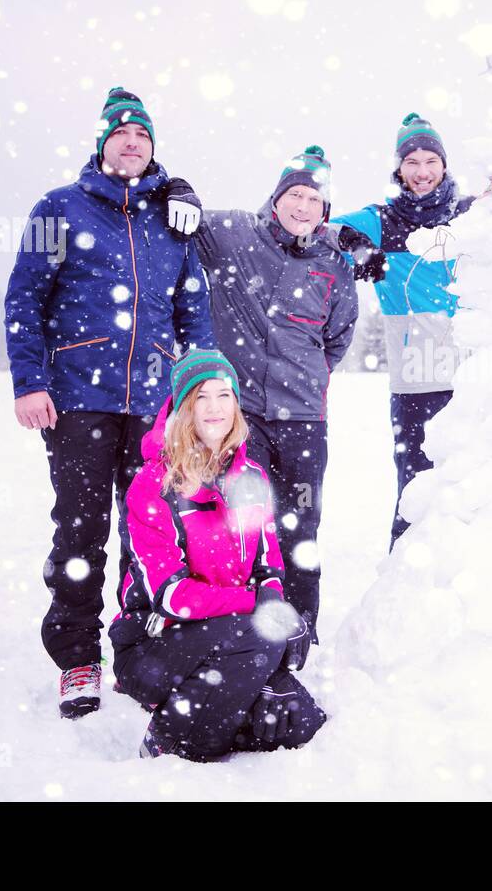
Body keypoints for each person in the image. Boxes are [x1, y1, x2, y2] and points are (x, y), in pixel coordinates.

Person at [3, 87, 214, 718]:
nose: (132, 142)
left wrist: (200, 392)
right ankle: (77, 660)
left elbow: (194, 311)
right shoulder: (59, 209)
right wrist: (29, 381)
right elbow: (23, 300)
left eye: (142, 136)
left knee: (152, 531)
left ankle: (136, 649)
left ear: (153, 149)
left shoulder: (172, 219)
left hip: (154, 407)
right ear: (102, 145)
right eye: (121, 133)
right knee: (80, 530)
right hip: (78, 401)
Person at [111, 350, 324, 760]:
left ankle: (222, 706)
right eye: (201, 396)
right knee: (256, 635)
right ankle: (171, 740)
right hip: (153, 642)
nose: (214, 408)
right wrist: (258, 606)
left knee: (299, 719)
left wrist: (275, 604)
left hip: (233, 633)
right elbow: (173, 596)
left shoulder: (251, 477)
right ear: (183, 408)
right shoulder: (153, 484)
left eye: (224, 395)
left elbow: (268, 566)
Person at [188, 146, 358, 641]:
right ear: (277, 197)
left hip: (305, 420)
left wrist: (304, 377)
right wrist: (178, 189)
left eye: (314, 200)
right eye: (295, 195)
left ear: (324, 213)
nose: (302, 206)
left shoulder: (334, 263)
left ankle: (302, 629)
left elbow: (339, 335)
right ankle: (245, 626)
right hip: (243, 417)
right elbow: (185, 220)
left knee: (301, 523)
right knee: (243, 525)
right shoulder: (235, 233)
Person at [331, 113, 475, 549]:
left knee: (471, 480)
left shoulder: (468, 213)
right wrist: (356, 246)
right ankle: (405, 575)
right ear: (399, 168)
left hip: (472, 374)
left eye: (431, 160)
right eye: (412, 161)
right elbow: (324, 225)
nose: (422, 171)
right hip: (414, 377)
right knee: (414, 484)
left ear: (445, 165)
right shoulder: (383, 218)